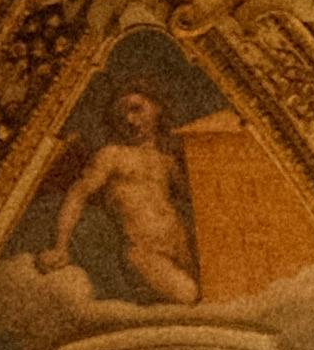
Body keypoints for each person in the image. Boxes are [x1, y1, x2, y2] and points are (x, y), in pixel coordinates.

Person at [37, 88, 204, 304]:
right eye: (120, 116)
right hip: (145, 253)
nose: (130, 120)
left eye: (136, 109)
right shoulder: (111, 156)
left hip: (182, 248)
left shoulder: (165, 159)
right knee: (187, 295)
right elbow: (78, 194)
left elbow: (195, 199)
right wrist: (59, 246)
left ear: (157, 108)